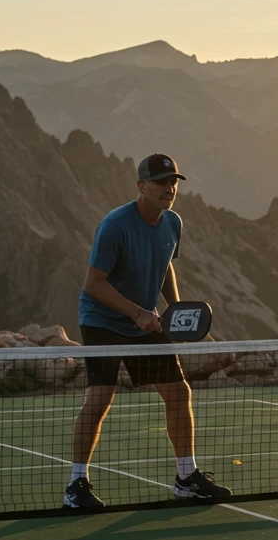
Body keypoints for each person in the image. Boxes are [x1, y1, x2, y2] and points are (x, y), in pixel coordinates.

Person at [64, 153, 231, 509]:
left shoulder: (172, 223)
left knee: (177, 392)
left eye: (173, 182)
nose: (169, 189)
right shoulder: (115, 225)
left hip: (146, 321)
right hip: (102, 321)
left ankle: (187, 478)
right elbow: (93, 283)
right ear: (141, 186)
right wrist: (138, 312)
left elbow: (165, 265)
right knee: (99, 399)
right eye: (160, 182)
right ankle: (76, 484)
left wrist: (176, 308)